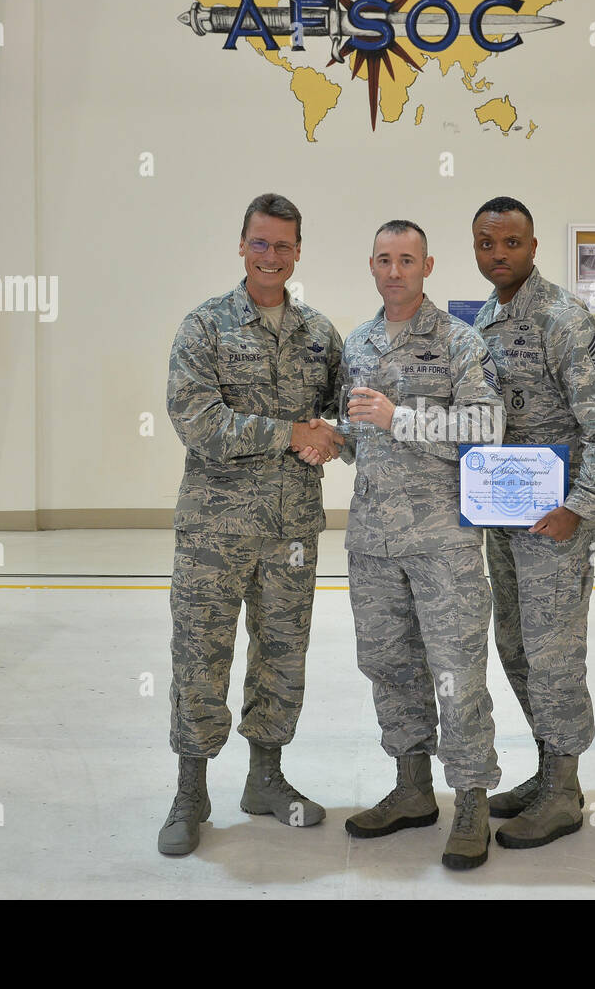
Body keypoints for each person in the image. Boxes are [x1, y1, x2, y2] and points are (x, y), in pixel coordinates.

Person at [159, 193, 345, 856]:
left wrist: (332, 437)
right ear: (241, 246)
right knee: (200, 658)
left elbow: (342, 415)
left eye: (284, 245)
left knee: (282, 656)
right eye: (260, 244)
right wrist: (292, 432)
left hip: (292, 530)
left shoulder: (320, 334)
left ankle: (265, 778)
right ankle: (191, 789)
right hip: (216, 530)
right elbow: (199, 422)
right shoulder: (204, 327)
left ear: (298, 251)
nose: (271, 257)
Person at [333, 219, 505, 870]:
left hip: (444, 543)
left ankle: (470, 801)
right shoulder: (358, 341)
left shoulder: (460, 342)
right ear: (372, 266)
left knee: (457, 675)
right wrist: (329, 433)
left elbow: (487, 425)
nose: (395, 270)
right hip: (373, 541)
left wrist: (399, 417)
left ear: (428, 266)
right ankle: (411, 789)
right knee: (388, 667)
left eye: (407, 259)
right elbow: (356, 433)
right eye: (384, 259)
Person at [469, 197, 595, 849]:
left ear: (533, 247)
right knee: (513, 645)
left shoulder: (560, 320)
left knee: (552, 654)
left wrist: (579, 508)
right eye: (487, 243)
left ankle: (565, 791)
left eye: (511, 243)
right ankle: (546, 771)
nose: (499, 254)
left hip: (555, 526)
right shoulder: (485, 318)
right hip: (504, 520)